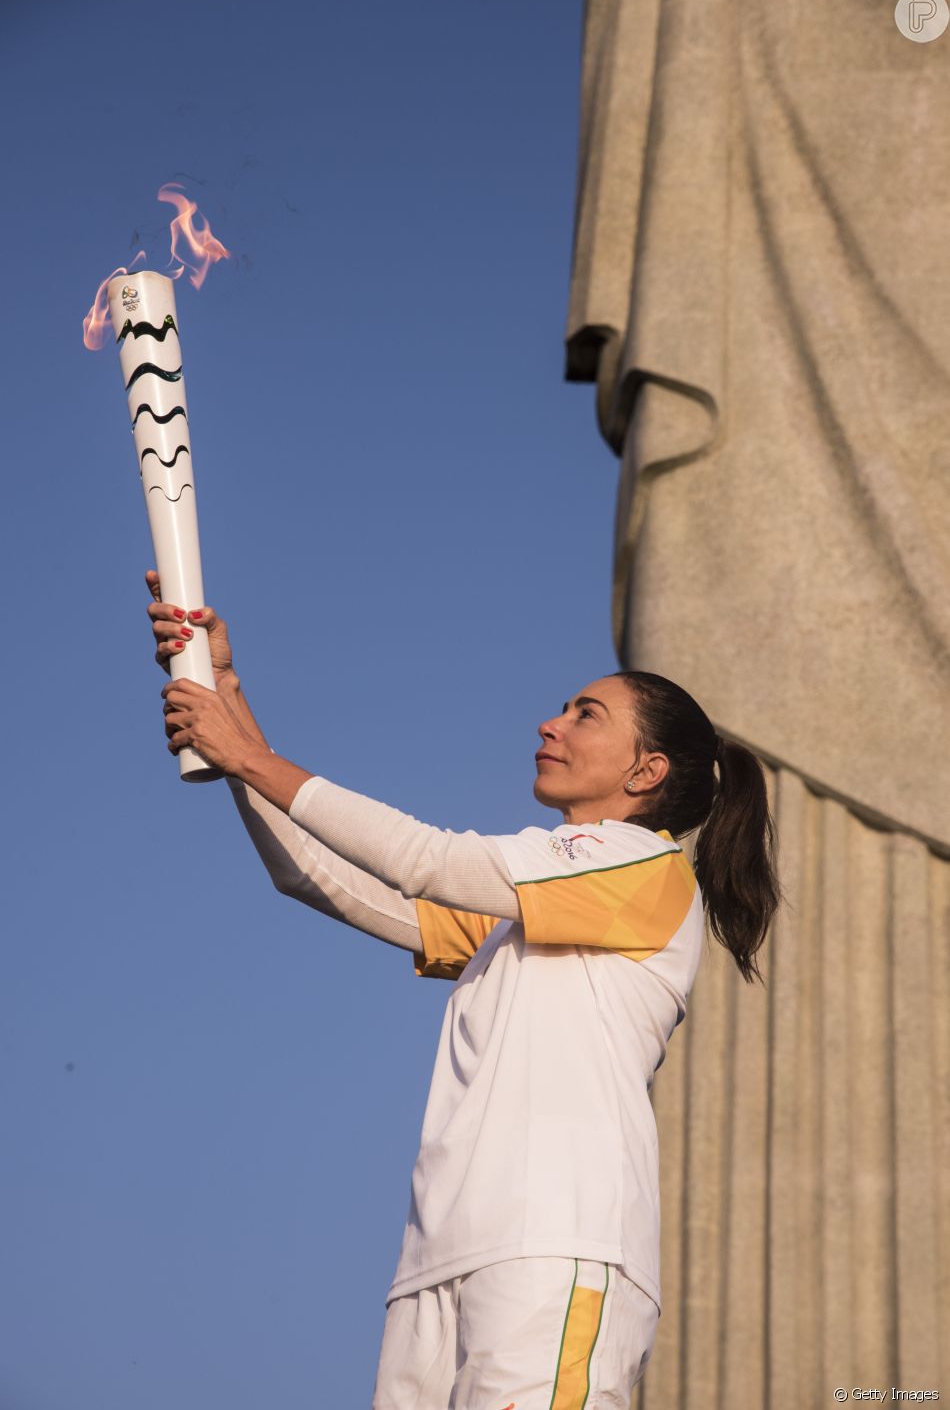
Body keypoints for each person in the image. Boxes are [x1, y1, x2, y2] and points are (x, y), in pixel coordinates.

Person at [147, 569, 781, 1409]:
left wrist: (251, 754)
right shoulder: (533, 913)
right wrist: (225, 695)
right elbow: (321, 875)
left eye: (586, 713)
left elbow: (428, 857)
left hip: (557, 1246)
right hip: (435, 1264)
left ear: (647, 769)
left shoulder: (642, 865)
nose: (551, 723)